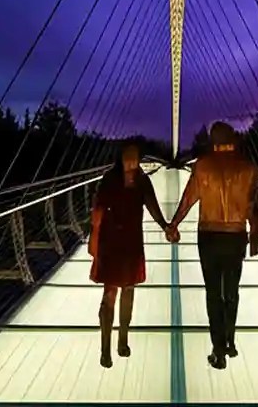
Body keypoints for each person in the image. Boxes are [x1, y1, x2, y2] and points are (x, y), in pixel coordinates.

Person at [166, 122, 258, 370]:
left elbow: (188, 199)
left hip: (209, 236)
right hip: (236, 235)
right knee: (231, 291)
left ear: (213, 141)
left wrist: (173, 225)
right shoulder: (249, 168)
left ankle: (217, 350)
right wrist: (255, 236)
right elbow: (253, 206)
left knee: (213, 293)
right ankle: (230, 341)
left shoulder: (202, 166)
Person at [89, 142, 170, 368]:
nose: (132, 162)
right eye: (128, 157)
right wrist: (94, 238)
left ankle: (123, 339)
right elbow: (98, 209)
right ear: (121, 158)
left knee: (129, 290)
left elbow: (152, 206)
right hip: (110, 241)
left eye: (135, 158)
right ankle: (105, 349)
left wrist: (165, 226)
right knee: (109, 294)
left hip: (132, 242)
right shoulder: (110, 179)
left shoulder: (142, 180)